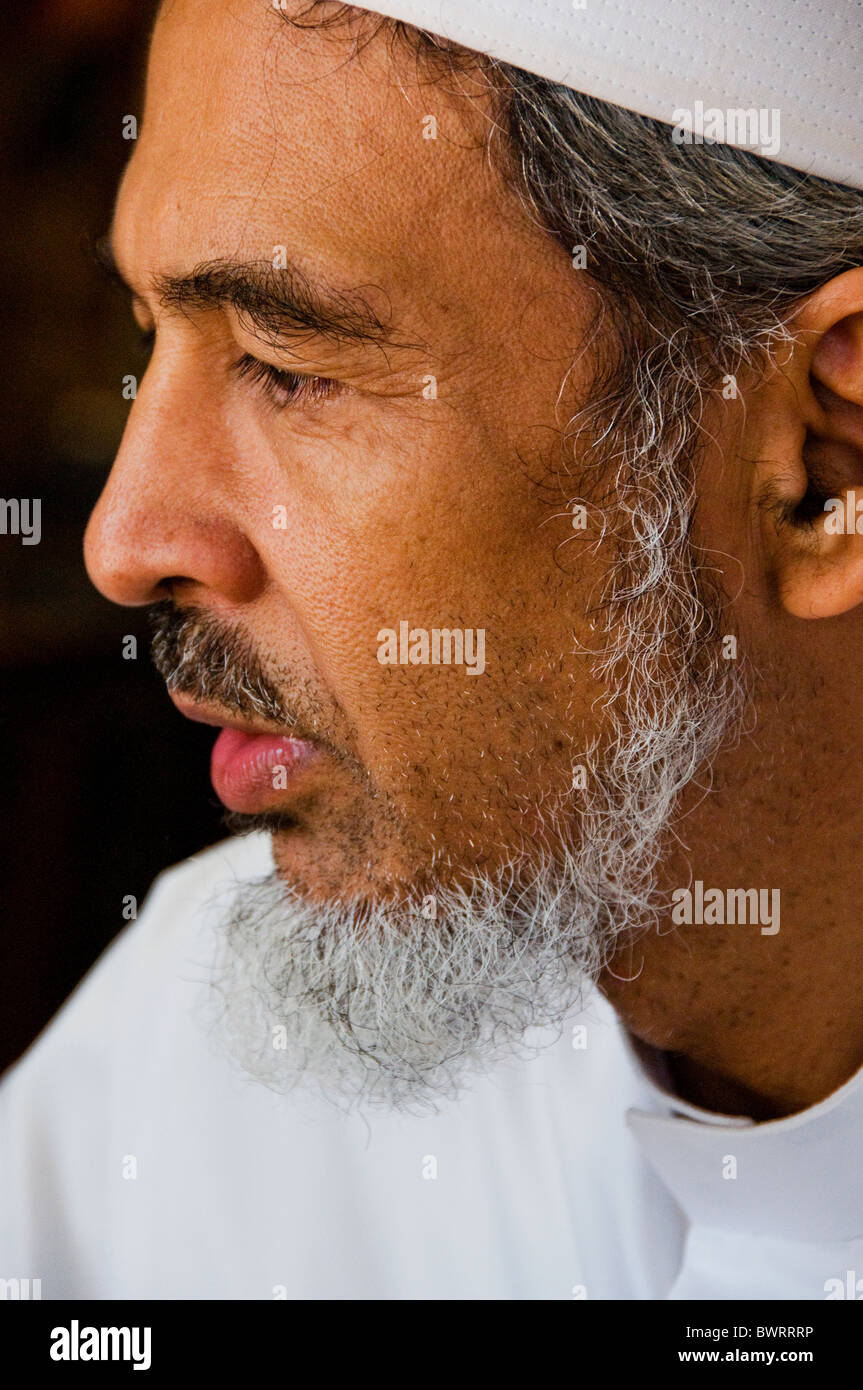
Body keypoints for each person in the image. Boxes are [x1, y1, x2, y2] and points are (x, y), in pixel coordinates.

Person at [2, 0, 863, 1300]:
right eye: (148, 339)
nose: (125, 541)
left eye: (287, 362)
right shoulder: (192, 1059)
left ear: (823, 469)